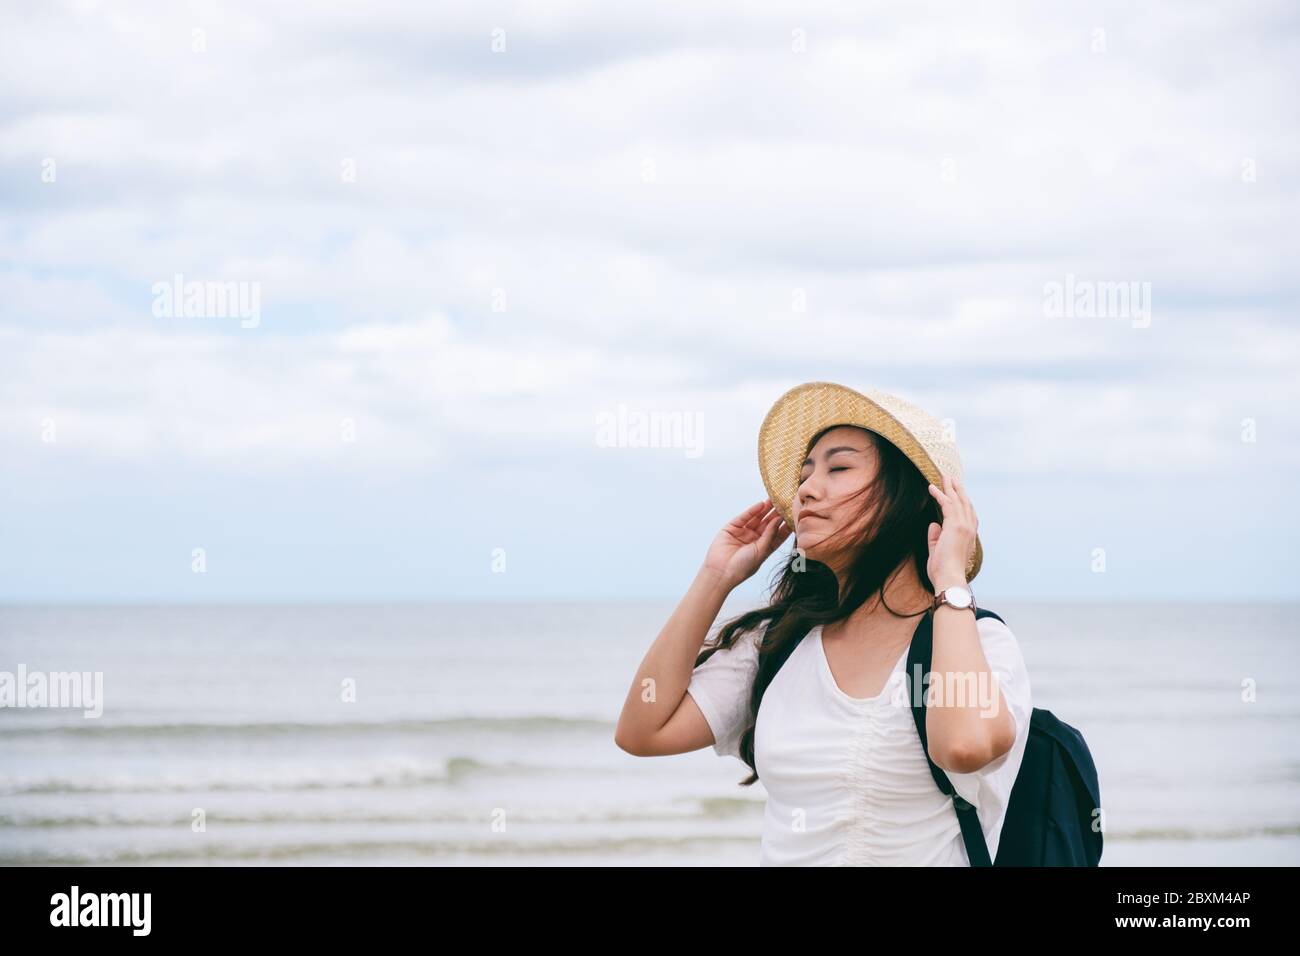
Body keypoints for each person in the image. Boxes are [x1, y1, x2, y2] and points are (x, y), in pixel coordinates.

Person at [614, 382, 1032, 866]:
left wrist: (950, 579)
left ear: (909, 497)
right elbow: (642, 731)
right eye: (805, 473)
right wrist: (715, 578)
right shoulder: (780, 644)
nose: (808, 489)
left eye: (839, 468)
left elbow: (964, 746)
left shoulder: (978, 642)